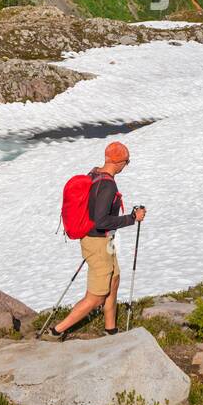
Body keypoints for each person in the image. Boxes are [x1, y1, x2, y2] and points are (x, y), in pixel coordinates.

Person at [45, 141, 146, 339]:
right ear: (120, 162)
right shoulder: (108, 185)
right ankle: (56, 331)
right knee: (97, 296)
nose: (126, 166)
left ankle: (111, 330)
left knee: (114, 279)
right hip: (97, 242)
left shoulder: (95, 174)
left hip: (102, 241)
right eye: (127, 162)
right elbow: (101, 221)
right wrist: (133, 218)